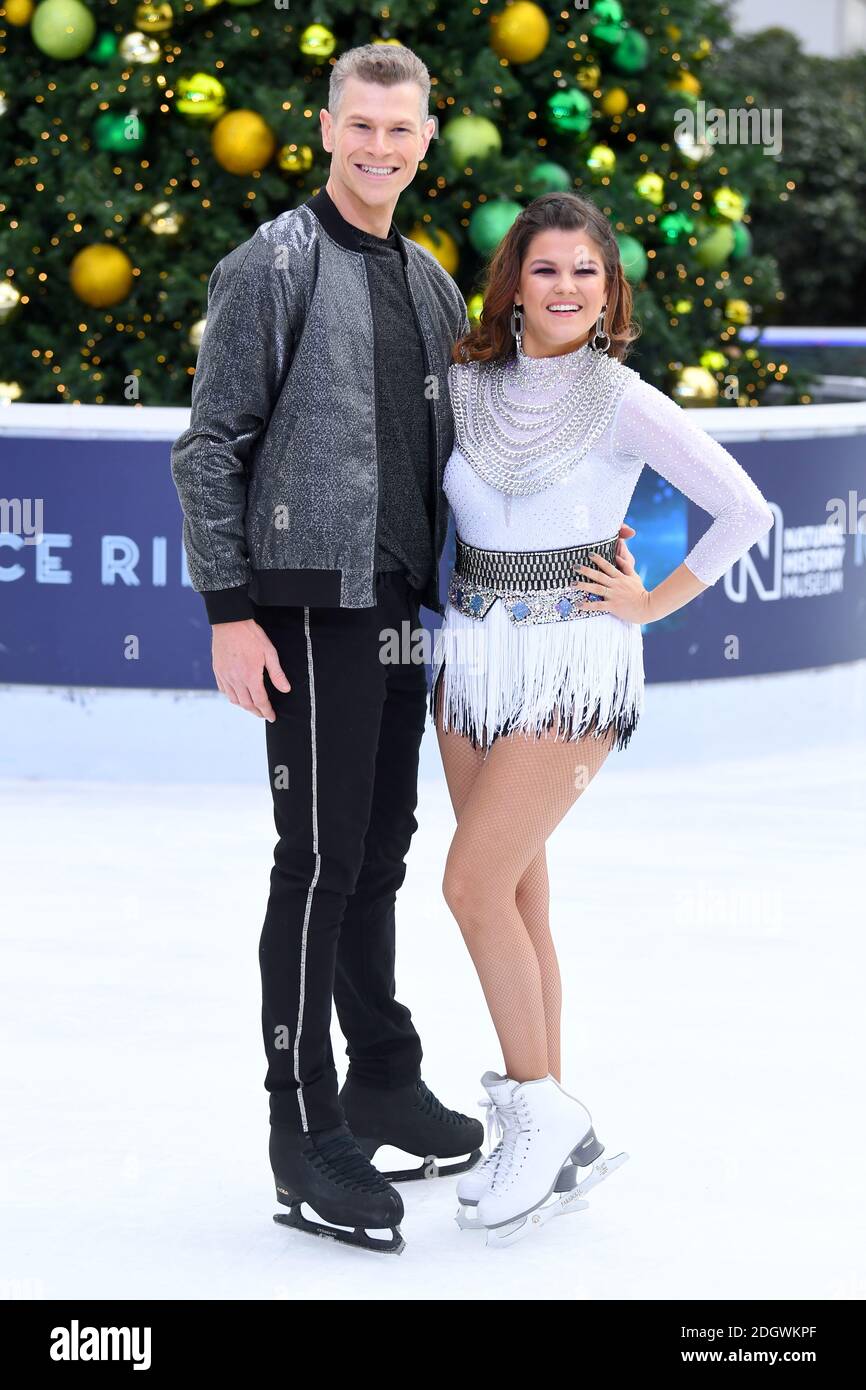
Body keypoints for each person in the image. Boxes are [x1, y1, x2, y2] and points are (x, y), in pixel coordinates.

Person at [169, 44, 503, 1255]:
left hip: (401, 608)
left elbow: (451, 460)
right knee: (314, 860)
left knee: (377, 852)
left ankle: (379, 1078)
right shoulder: (270, 264)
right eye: (358, 125)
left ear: (425, 137)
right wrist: (227, 609)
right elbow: (211, 446)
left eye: (398, 130)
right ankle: (301, 1125)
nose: (379, 147)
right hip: (305, 603)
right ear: (325, 127)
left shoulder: (427, 280)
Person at [430, 190, 775, 1245]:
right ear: (514, 284)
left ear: (608, 287)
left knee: (469, 882)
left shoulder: (623, 396)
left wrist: (651, 602)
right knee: (519, 896)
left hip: (574, 661)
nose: (567, 287)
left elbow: (743, 508)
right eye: (546, 269)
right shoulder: (461, 382)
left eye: (586, 270)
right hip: (471, 656)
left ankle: (535, 1103)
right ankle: (557, 1130)